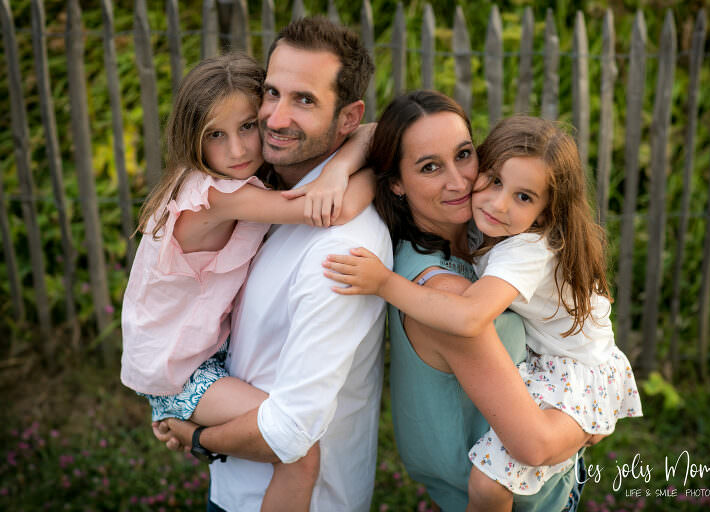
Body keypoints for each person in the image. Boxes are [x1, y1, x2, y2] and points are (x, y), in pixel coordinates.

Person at [324, 113, 643, 510]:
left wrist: (385, 284)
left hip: (576, 369)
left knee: (490, 484)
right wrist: (337, 174)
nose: (497, 202)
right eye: (493, 181)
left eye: (523, 196)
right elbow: (375, 139)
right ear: (397, 183)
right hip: (568, 361)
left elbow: (470, 317)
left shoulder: (521, 249)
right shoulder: (488, 226)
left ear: (544, 212)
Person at [152, 17, 392, 512]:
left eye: (304, 100)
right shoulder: (262, 190)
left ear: (348, 118)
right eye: (271, 92)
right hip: (238, 487)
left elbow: (291, 432)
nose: (276, 118)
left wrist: (199, 437)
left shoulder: (341, 252)